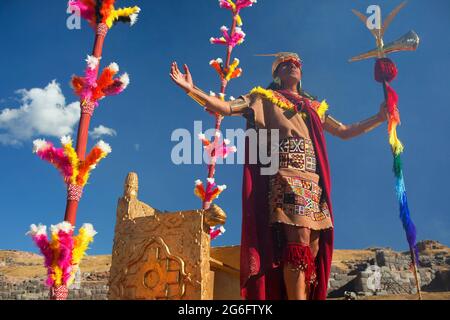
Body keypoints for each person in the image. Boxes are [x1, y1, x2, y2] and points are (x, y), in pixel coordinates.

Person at [169, 52, 387, 300]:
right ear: (277, 73)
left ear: (301, 72)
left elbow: (346, 131)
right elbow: (226, 107)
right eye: (284, 64)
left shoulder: (315, 108)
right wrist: (191, 89)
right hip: (285, 175)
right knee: (298, 245)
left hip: (314, 182)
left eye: (295, 63)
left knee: (313, 248)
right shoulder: (263, 98)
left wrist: (380, 117)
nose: (291, 65)